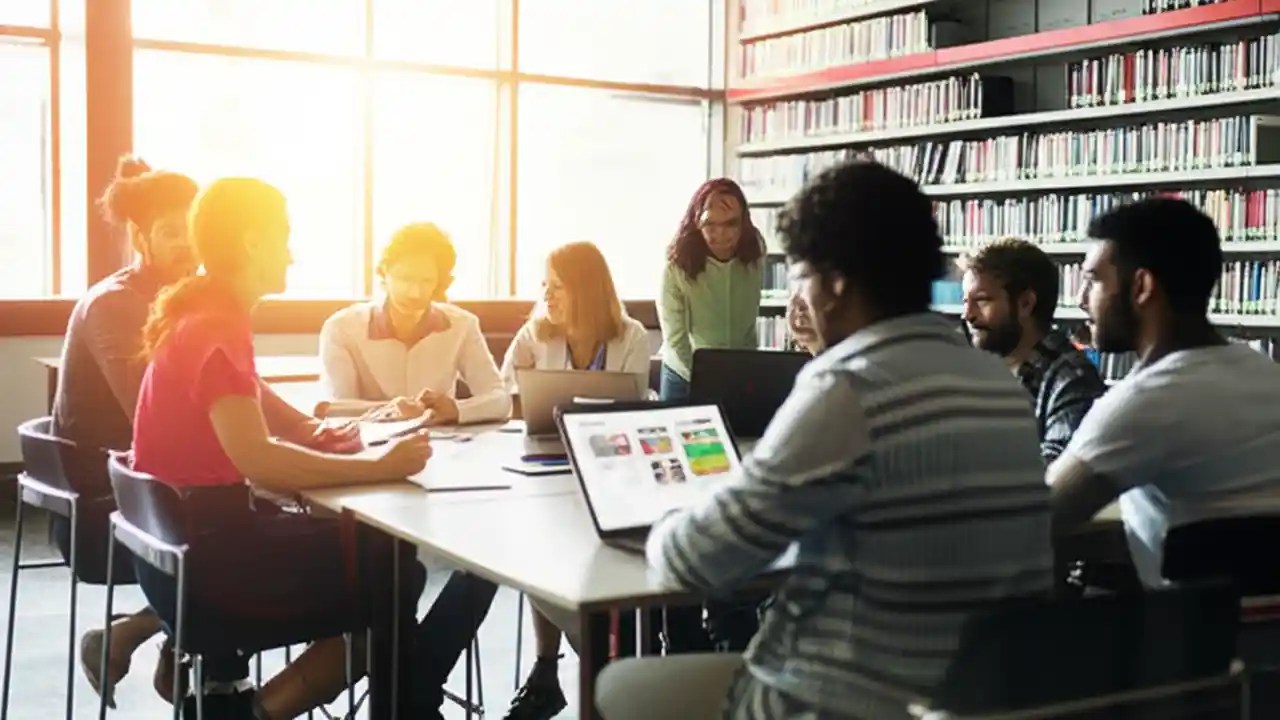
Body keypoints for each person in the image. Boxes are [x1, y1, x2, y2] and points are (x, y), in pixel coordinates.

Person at [645, 161, 1054, 718]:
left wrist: (663, 517)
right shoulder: (999, 383)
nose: (801, 299)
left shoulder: (846, 389)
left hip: (843, 699)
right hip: (978, 698)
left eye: (800, 278)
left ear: (833, 284)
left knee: (630, 684)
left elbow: (694, 562)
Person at [129, 178, 489, 719]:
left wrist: (307, 429)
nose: (292, 254)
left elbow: (249, 395)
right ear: (253, 241)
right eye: (284, 237)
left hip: (175, 555)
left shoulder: (200, 312)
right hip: (211, 560)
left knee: (379, 559)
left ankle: (263, 704)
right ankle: (264, 712)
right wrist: (376, 465)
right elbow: (257, 458)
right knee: (395, 572)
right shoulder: (218, 323)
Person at [1048, 197, 1280, 588]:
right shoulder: (1266, 375)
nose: (1082, 299)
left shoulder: (1143, 403)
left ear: (1141, 286)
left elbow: (1038, 516)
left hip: (1196, 642)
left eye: (1093, 280)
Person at [50, 155, 197, 707]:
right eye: (172, 233)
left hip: (159, 484)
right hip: (108, 502)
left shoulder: (187, 300)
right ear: (141, 236)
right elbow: (155, 417)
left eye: (194, 230)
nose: (189, 245)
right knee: (248, 526)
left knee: (259, 512)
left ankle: (168, 646)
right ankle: (190, 661)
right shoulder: (115, 303)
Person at [498, 241, 649, 719]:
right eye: (546, 285)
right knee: (538, 543)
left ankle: (588, 664)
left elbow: (635, 408)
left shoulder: (631, 336)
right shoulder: (536, 333)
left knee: (566, 549)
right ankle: (578, 664)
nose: (548, 296)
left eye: (557, 286)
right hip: (544, 458)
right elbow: (504, 395)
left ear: (585, 289)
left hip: (610, 464)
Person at [318, 222, 511, 424]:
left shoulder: (462, 325)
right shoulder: (341, 327)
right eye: (404, 278)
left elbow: (500, 400)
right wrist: (394, 410)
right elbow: (334, 409)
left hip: (442, 445)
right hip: (368, 446)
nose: (414, 293)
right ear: (385, 273)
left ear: (440, 282)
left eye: (426, 281)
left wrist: (456, 409)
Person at [957, 238, 1107, 462]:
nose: (967, 315)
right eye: (965, 301)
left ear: (1026, 303)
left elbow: (1054, 477)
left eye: (981, 300)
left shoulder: (1072, 381)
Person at [658, 179, 765, 401]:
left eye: (731, 224)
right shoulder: (677, 262)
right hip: (684, 374)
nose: (721, 235)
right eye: (710, 225)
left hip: (739, 370)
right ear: (697, 222)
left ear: (743, 222)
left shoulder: (755, 248)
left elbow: (750, 316)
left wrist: (747, 370)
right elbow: (676, 337)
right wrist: (705, 381)